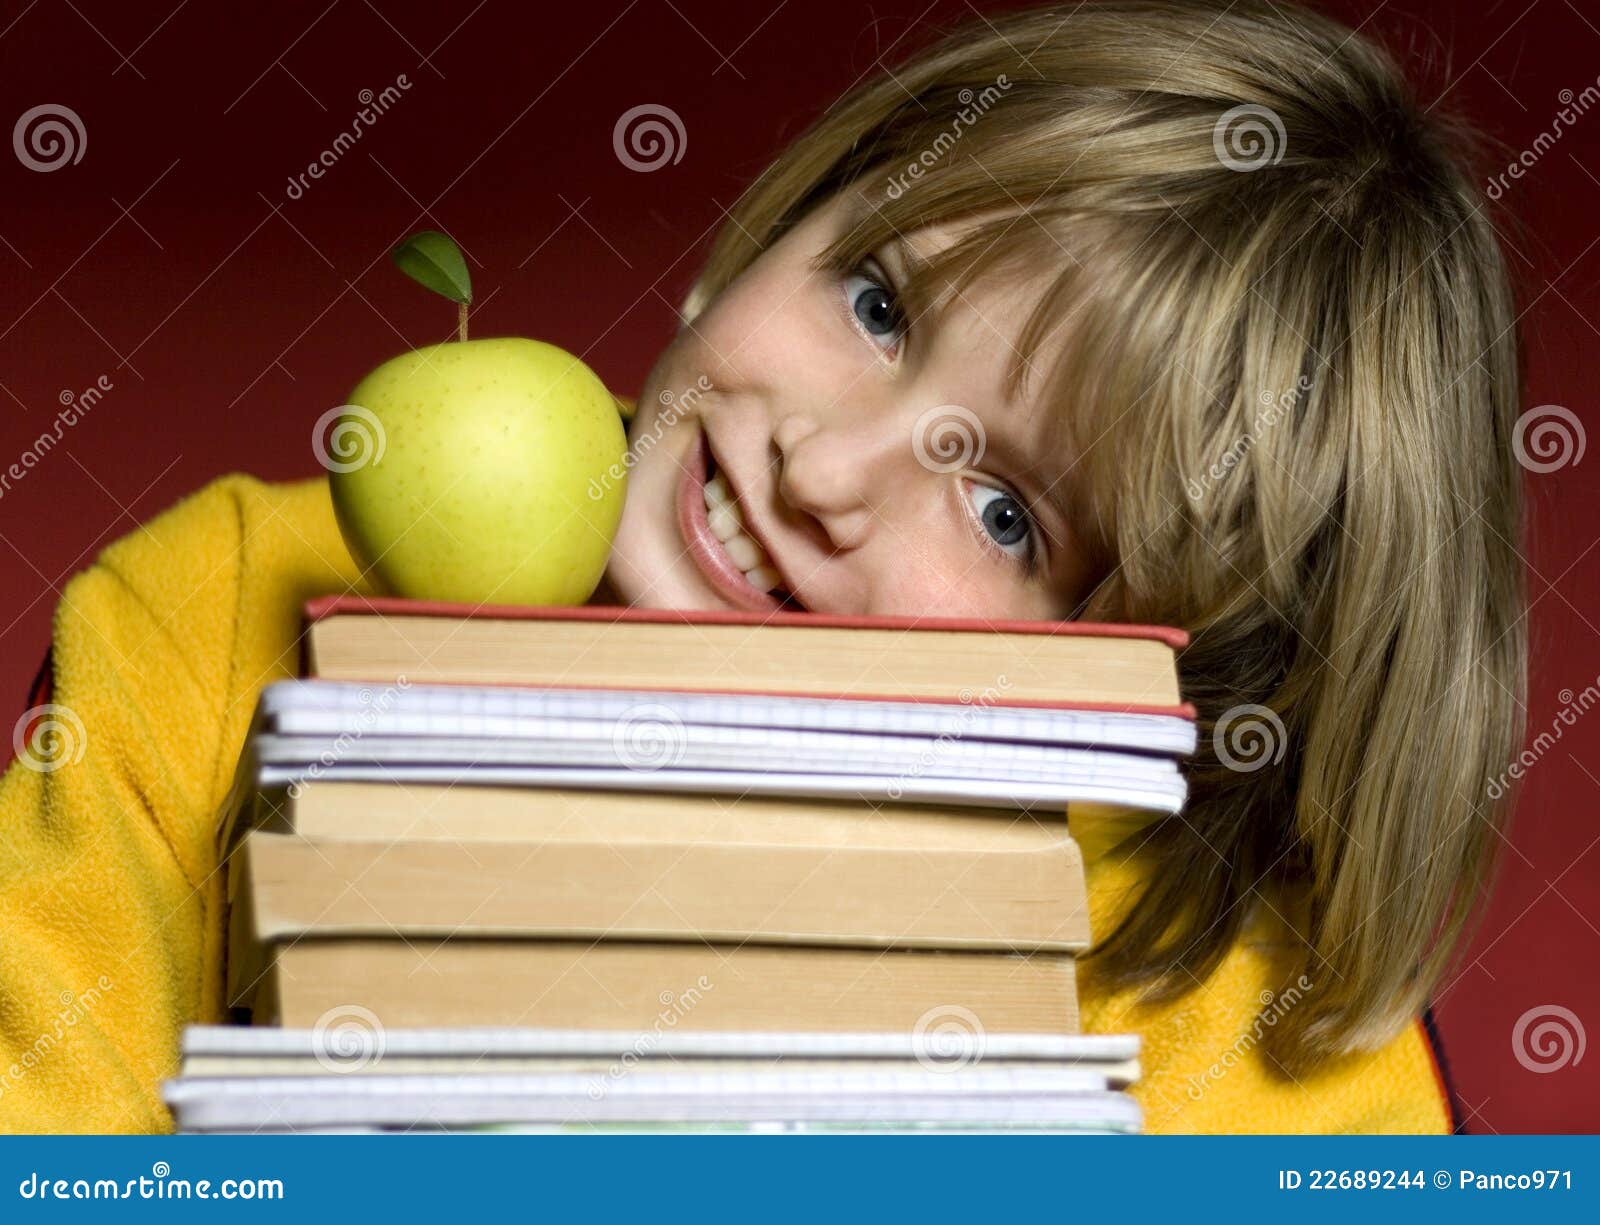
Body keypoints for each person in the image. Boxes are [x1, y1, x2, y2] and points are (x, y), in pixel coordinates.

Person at [0, 0, 1521, 1132]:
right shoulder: (221, 609)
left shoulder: (1214, 1016)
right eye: (876, 301)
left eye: (1010, 516)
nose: (825, 470)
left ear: (1156, 670)